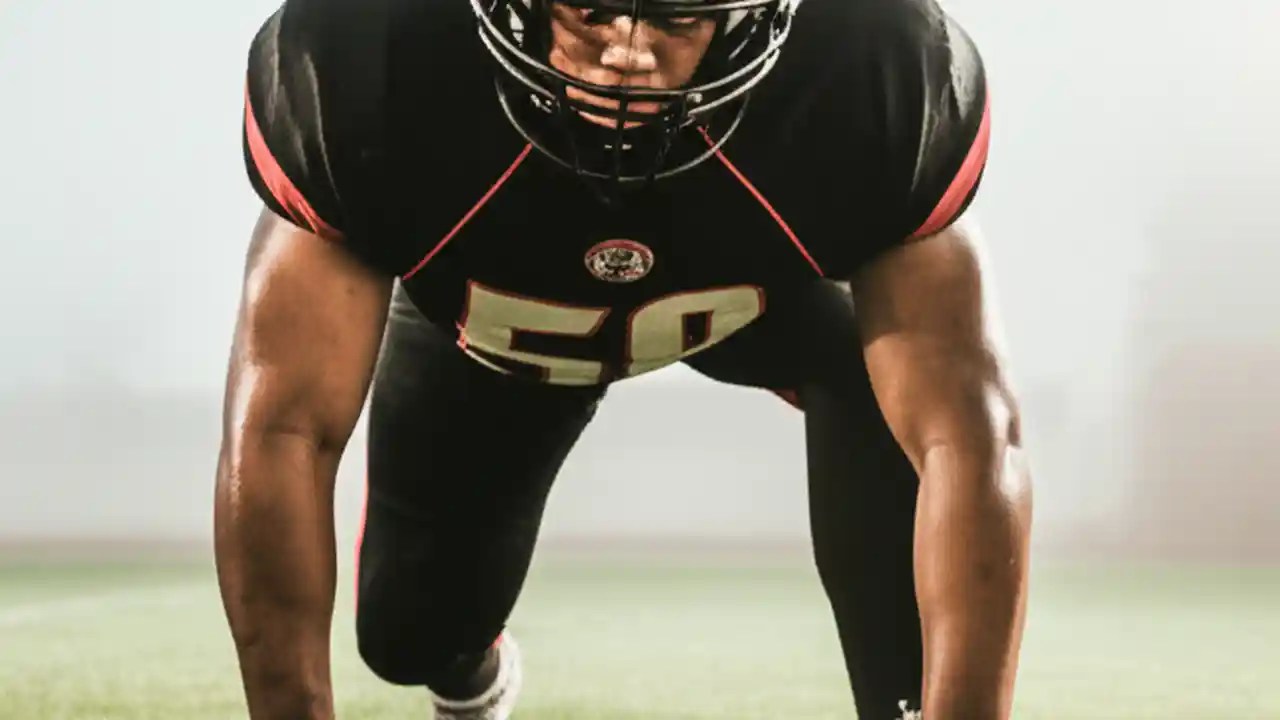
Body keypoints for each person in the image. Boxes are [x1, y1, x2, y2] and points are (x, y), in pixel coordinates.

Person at [213, 0, 1034, 717]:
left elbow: (971, 436)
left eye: (678, 15)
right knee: (407, 635)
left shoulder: (871, 58)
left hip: (751, 285)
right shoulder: (373, 55)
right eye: (591, 11)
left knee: (899, 376)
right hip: (494, 311)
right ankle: (469, 663)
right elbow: (282, 432)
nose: (629, 52)